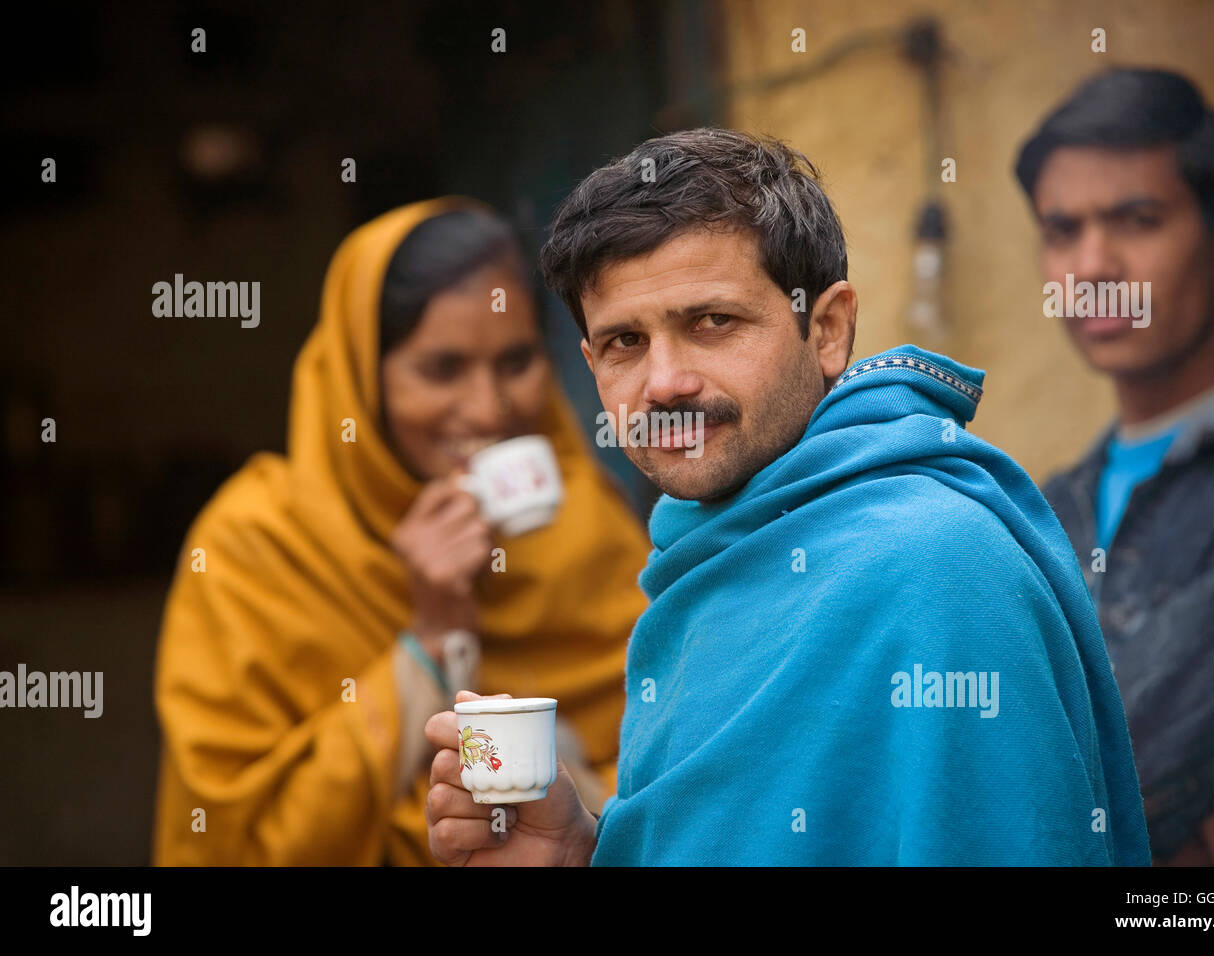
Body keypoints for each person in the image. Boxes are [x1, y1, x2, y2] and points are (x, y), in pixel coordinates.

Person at [424, 129, 1151, 865]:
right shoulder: (705, 557)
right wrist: (581, 852)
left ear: (828, 330)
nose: (665, 381)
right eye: (625, 343)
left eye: (713, 323)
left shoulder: (932, 566)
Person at [152, 197, 650, 865]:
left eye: (515, 361)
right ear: (363, 379)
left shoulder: (587, 521)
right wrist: (431, 643)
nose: (488, 408)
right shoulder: (257, 543)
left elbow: (673, 770)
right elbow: (237, 837)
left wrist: (570, 821)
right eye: (441, 369)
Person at [1015, 68, 1214, 867]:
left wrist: (1149, 791)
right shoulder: (1041, 508)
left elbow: (1148, 754)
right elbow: (954, 741)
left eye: (1137, 220)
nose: (1093, 265)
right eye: (1062, 230)